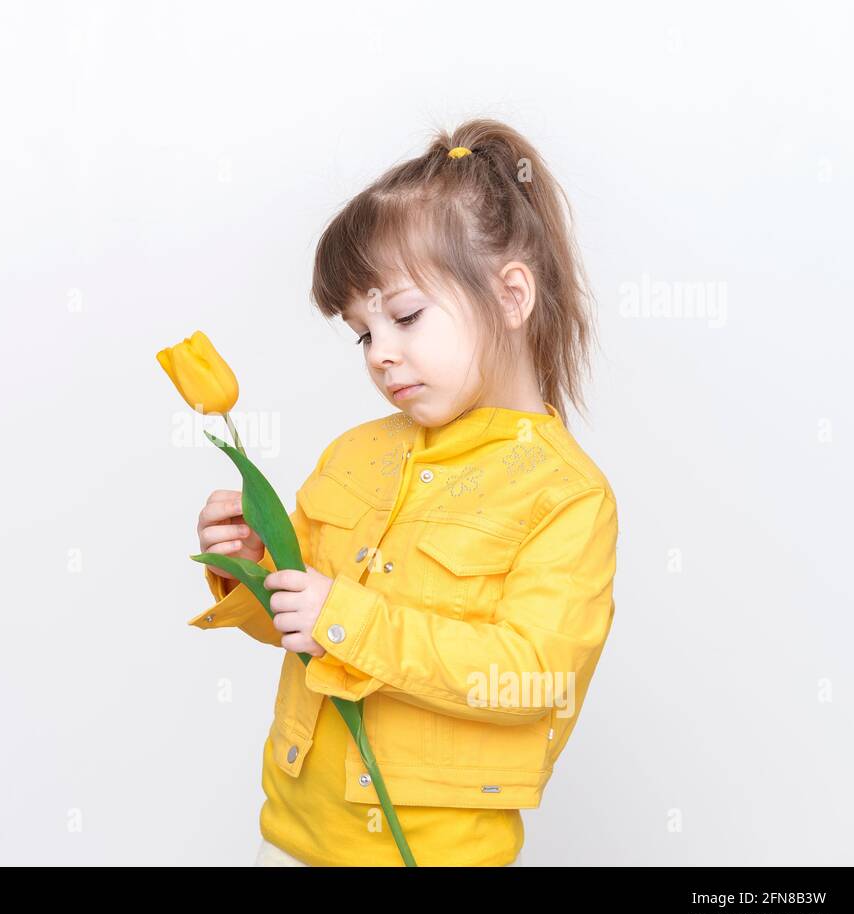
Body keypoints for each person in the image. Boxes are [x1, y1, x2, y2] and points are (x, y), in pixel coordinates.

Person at [190, 119, 617, 867]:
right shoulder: (356, 453)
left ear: (512, 294)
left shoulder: (565, 496)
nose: (382, 353)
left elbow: (529, 675)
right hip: (289, 837)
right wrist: (253, 565)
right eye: (362, 333)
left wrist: (347, 620)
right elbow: (304, 622)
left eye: (407, 315)